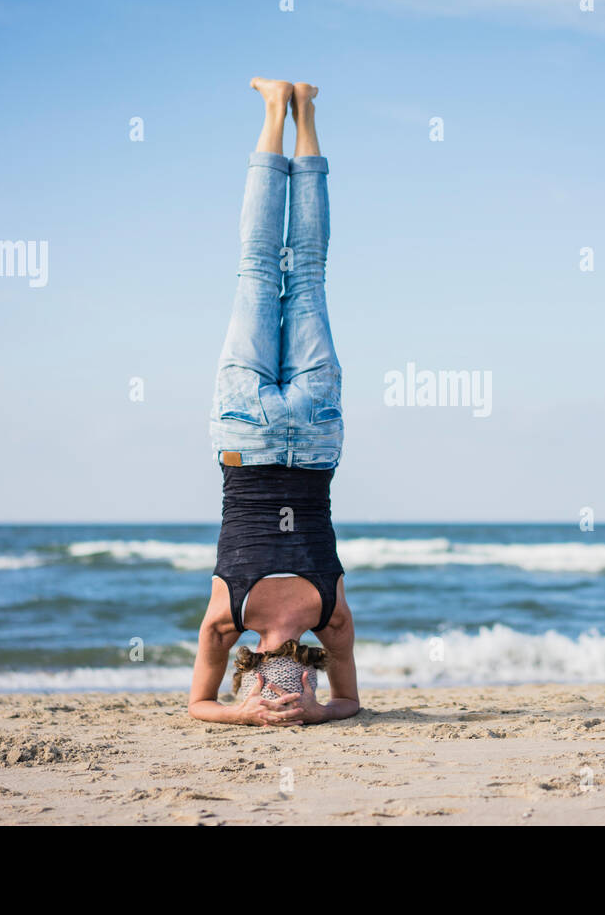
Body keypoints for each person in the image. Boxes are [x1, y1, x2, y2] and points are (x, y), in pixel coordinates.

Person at [188, 78, 359, 727]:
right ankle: (293, 109)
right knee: (284, 268)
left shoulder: (240, 622)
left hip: (277, 434)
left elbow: (197, 705)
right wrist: (302, 715)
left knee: (280, 267)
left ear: (252, 677)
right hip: (278, 433)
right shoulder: (314, 621)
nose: (292, 698)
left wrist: (252, 716)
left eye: (277, 694)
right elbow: (352, 702)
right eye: (301, 693)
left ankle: (289, 110)